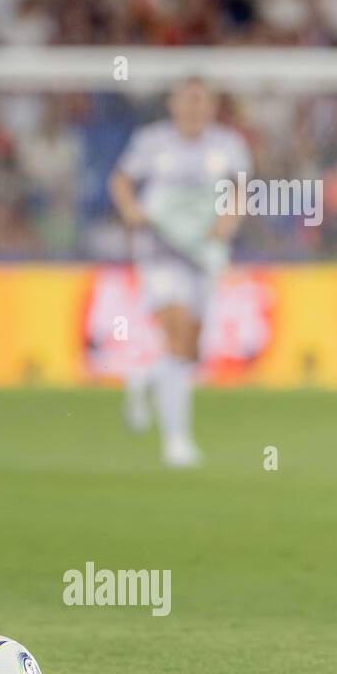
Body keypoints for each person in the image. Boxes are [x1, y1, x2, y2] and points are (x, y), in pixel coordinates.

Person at [108, 78, 250, 468]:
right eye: (187, 100)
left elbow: (241, 191)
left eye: (201, 100)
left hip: (203, 251)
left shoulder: (228, 144)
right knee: (177, 329)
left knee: (190, 350)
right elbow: (120, 179)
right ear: (173, 104)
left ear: (213, 106)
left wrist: (229, 221)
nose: (193, 107)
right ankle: (177, 442)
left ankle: (145, 379)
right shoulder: (153, 141)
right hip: (160, 249)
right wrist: (131, 210)